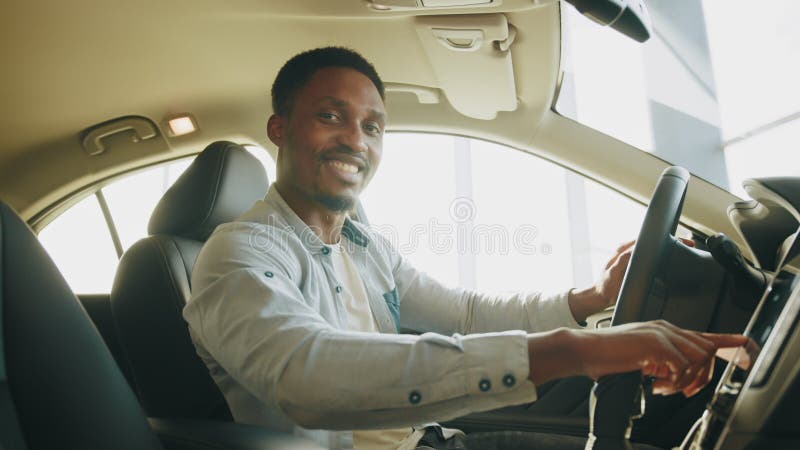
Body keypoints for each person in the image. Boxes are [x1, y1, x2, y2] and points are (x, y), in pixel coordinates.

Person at [182, 47, 747, 450]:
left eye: (373, 126)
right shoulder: (240, 254)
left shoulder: (363, 243)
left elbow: (466, 314)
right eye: (331, 116)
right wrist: (576, 350)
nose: (356, 139)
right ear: (279, 130)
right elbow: (306, 379)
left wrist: (590, 298)